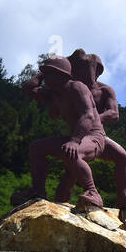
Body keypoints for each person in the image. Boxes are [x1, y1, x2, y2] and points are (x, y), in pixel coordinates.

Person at [53, 49, 126, 207]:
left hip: (96, 135)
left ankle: (122, 195)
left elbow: (114, 114)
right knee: (72, 167)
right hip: (78, 135)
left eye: (90, 68)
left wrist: (93, 120)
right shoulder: (71, 88)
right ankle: (61, 201)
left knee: (122, 157)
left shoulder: (104, 90)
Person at [22, 57, 106, 208]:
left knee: (71, 152)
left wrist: (74, 141)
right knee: (36, 147)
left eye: (50, 73)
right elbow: (29, 88)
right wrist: (43, 72)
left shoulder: (77, 87)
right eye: (45, 74)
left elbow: (88, 115)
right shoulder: (55, 94)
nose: (46, 77)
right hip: (77, 136)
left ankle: (93, 192)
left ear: (61, 75)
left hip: (93, 137)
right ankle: (38, 190)